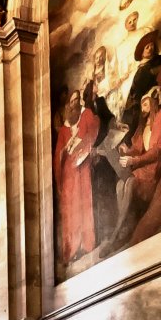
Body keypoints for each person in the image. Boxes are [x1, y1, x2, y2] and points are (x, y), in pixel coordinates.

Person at [120, 86, 161, 243]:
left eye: (146, 102)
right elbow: (137, 149)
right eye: (141, 103)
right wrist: (126, 151)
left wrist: (134, 161)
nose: (143, 106)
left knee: (130, 183)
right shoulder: (144, 126)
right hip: (145, 166)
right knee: (120, 185)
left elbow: (159, 150)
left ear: (154, 101)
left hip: (157, 167)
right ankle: (122, 227)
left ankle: (118, 232)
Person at [55, 88, 100, 266]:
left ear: (80, 101)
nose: (74, 104)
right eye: (71, 101)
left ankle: (87, 244)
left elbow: (93, 131)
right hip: (69, 173)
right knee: (71, 209)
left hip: (82, 167)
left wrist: (84, 144)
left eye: (76, 100)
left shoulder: (86, 115)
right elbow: (58, 153)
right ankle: (72, 248)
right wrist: (65, 148)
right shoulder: (64, 129)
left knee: (84, 203)